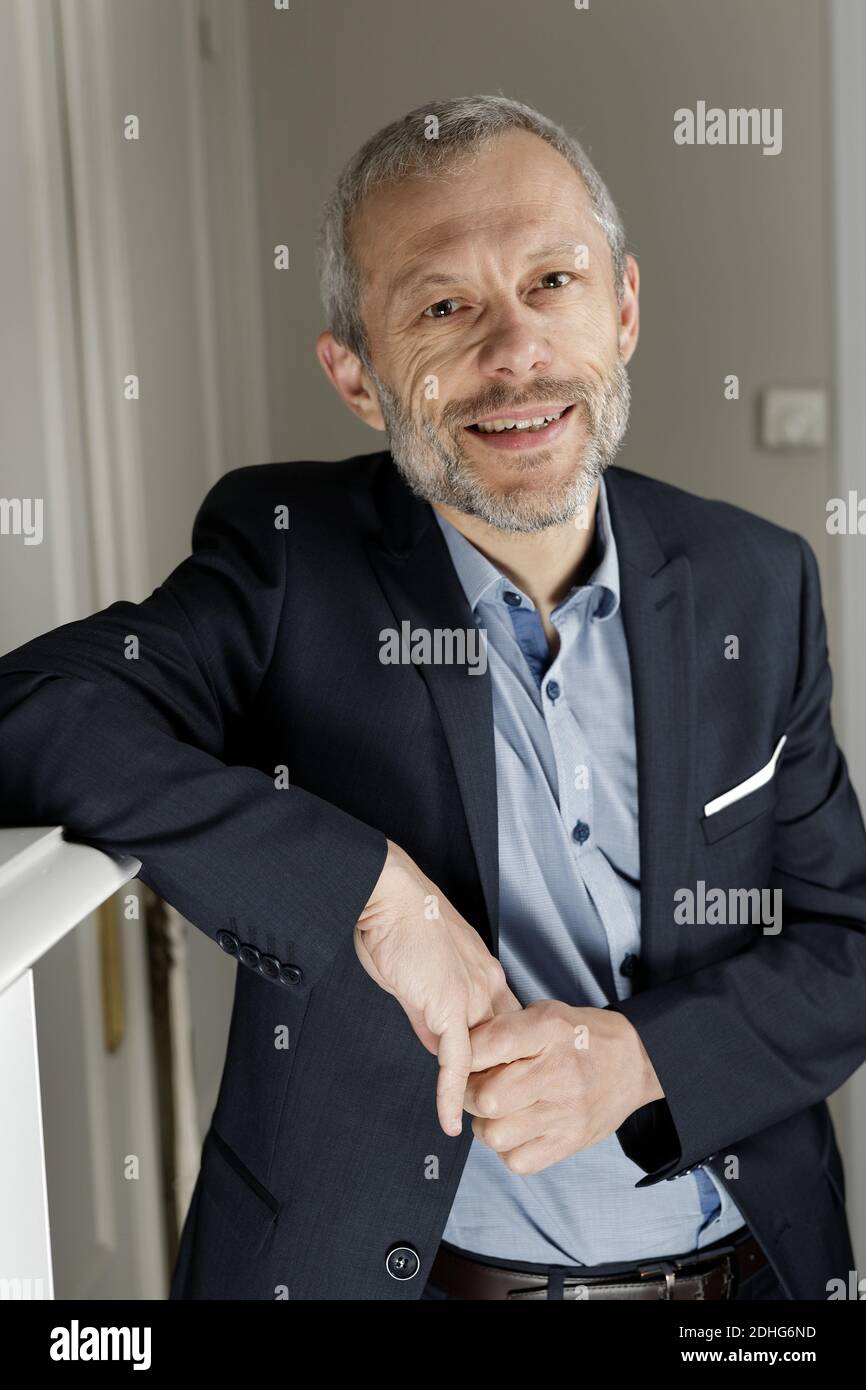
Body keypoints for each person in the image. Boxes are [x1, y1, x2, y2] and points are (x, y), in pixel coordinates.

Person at [1, 95, 863, 1301]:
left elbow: (844, 945)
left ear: (621, 308)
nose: (513, 350)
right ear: (356, 377)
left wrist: (633, 1059)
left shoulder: (757, 580)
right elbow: (33, 711)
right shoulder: (289, 560)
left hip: (748, 1287)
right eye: (444, 305)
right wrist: (370, 897)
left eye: (550, 282)